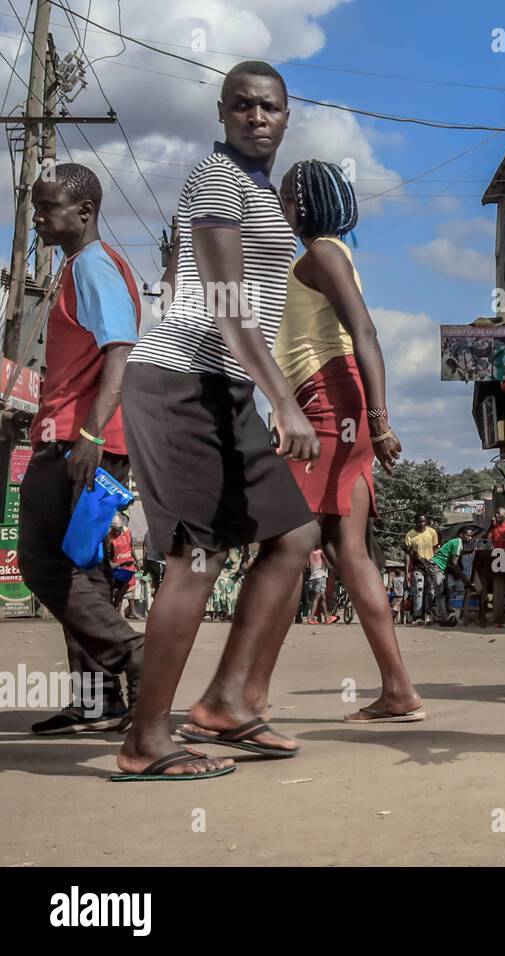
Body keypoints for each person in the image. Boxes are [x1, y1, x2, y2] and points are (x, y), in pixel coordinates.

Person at [114, 61, 320, 781]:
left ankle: (228, 701)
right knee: (195, 558)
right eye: (242, 106)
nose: (256, 117)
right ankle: (147, 739)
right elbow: (229, 305)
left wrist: (261, 394)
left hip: (225, 388)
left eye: (268, 107)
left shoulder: (261, 192)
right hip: (178, 381)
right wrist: (285, 401)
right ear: (222, 114)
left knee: (295, 535)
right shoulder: (215, 180)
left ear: (287, 115)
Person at [270, 158, 421, 721]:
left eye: (287, 198)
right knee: (344, 550)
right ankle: (399, 689)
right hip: (334, 403)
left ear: (303, 206)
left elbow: (366, 332)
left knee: (283, 547)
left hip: (329, 403)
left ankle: (241, 692)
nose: (281, 209)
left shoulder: (323, 254)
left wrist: (379, 420)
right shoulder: (325, 255)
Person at [19, 162, 143, 735]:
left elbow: (122, 351)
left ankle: (138, 658)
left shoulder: (93, 266)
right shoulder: (82, 266)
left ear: (84, 212)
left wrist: (91, 438)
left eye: (48, 208)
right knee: (82, 571)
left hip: (80, 444)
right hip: (74, 437)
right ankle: (98, 700)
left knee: (43, 563)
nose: (38, 218)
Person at [430, 525, 476, 625]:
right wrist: (465, 580)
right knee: (440, 594)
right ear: (462, 535)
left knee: (446, 592)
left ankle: (445, 615)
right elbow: (454, 564)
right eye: (468, 535)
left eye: (471, 536)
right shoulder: (458, 543)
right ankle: (444, 619)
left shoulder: (456, 542)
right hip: (436, 567)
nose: (470, 538)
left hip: (439, 567)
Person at [405, 514, 438, 625]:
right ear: (415, 522)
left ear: (426, 522)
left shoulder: (432, 533)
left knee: (431, 592)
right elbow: (408, 555)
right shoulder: (410, 535)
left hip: (430, 566)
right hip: (418, 567)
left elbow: (435, 550)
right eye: (419, 522)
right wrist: (407, 572)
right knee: (419, 591)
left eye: (423, 521)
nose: (421, 524)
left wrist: (438, 566)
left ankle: (428, 615)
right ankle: (418, 616)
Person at [106, 515, 137, 617]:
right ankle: (114, 612)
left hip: (127, 568)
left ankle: (117, 612)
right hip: (116, 569)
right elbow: (109, 563)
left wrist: (136, 560)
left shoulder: (127, 532)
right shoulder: (108, 539)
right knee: (114, 591)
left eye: (119, 529)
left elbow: (131, 546)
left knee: (125, 589)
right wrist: (122, 563)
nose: (118, 532)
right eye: (116, 530)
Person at [306, 546, 330, 623]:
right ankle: (311, 618)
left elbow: (307, 566)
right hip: (321, 576)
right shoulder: (322, 552)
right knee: (316, 599)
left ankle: (327, 618)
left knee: (322, 598)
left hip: (312, 578)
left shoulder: (310, 553)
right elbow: (328, 564)